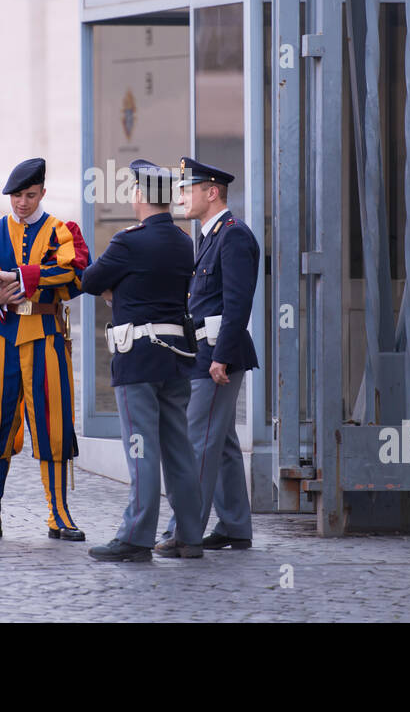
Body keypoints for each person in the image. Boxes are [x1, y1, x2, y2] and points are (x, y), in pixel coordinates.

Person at [0, 157, 90, 540]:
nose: (22, 203)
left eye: (30, 195)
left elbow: (77, 272)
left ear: (43, 192)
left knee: (52, 422)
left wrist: (16, 276)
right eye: (16, 196)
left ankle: (58, 512)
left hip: (45, 334)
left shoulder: (62, 230)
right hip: (0, 336)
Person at [81, 159, 205, 562]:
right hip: (175, 358)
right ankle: (189, 537)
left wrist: (116, 289)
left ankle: (136, 538)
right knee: (178, 450)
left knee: (141, 450)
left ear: (138, 195)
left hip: (138, 358)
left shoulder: (128, 242)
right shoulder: (184, 241)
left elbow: (90, 281)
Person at [156, 156, 260, 554]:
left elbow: (237, 303)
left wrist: (221, 356)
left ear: (212, 192)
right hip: (204, 352)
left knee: (197, 443)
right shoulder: (210, 235)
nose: (181, 196)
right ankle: (235, 526)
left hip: (217, 356)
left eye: (188, 189)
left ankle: (184, 533)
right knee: (223, 444)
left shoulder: (232, 235)